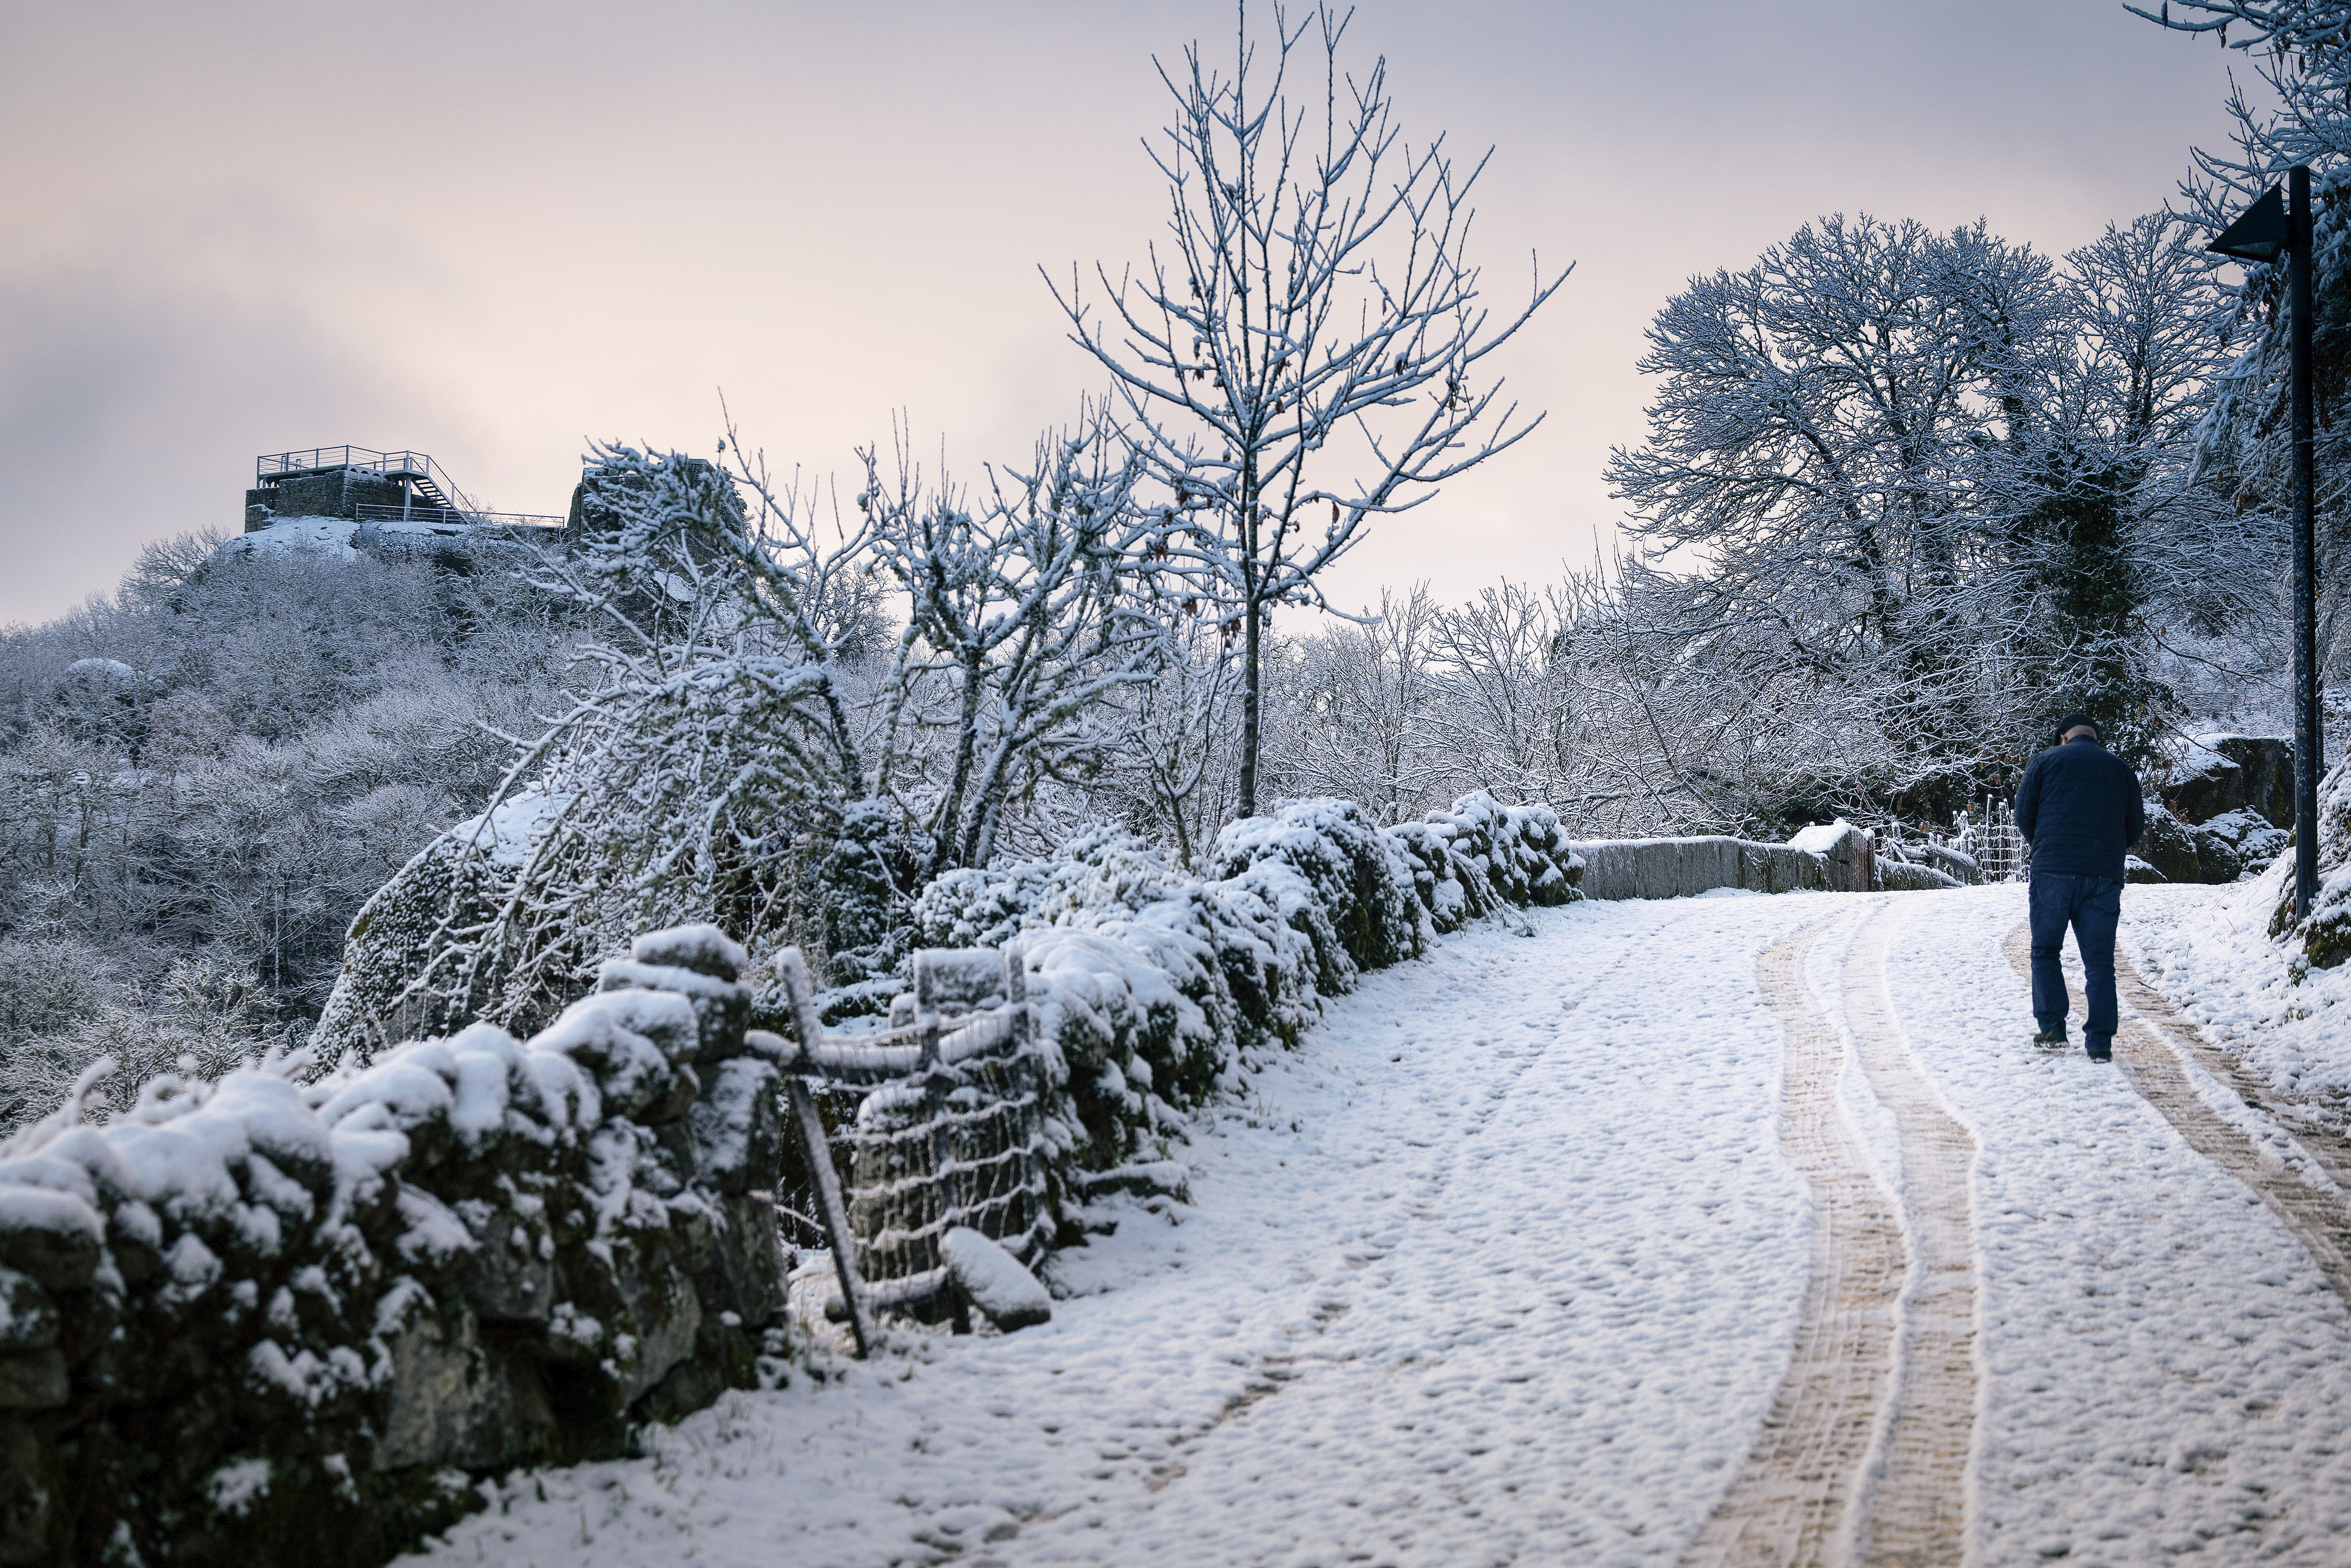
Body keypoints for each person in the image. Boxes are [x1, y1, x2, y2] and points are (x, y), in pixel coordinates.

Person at [2012, 713, 2145, 1063]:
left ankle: (2053, 1030)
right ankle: (2100, 1042)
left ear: (2063, 739)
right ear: (2094, 738)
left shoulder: (2044, 762)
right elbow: (2135, 828)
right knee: (2100, 962)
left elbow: (2023, 815)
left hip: (2053, 871)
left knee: (2045, 951)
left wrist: (2044, 846)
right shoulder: (2121, 770)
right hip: (2103, 875)